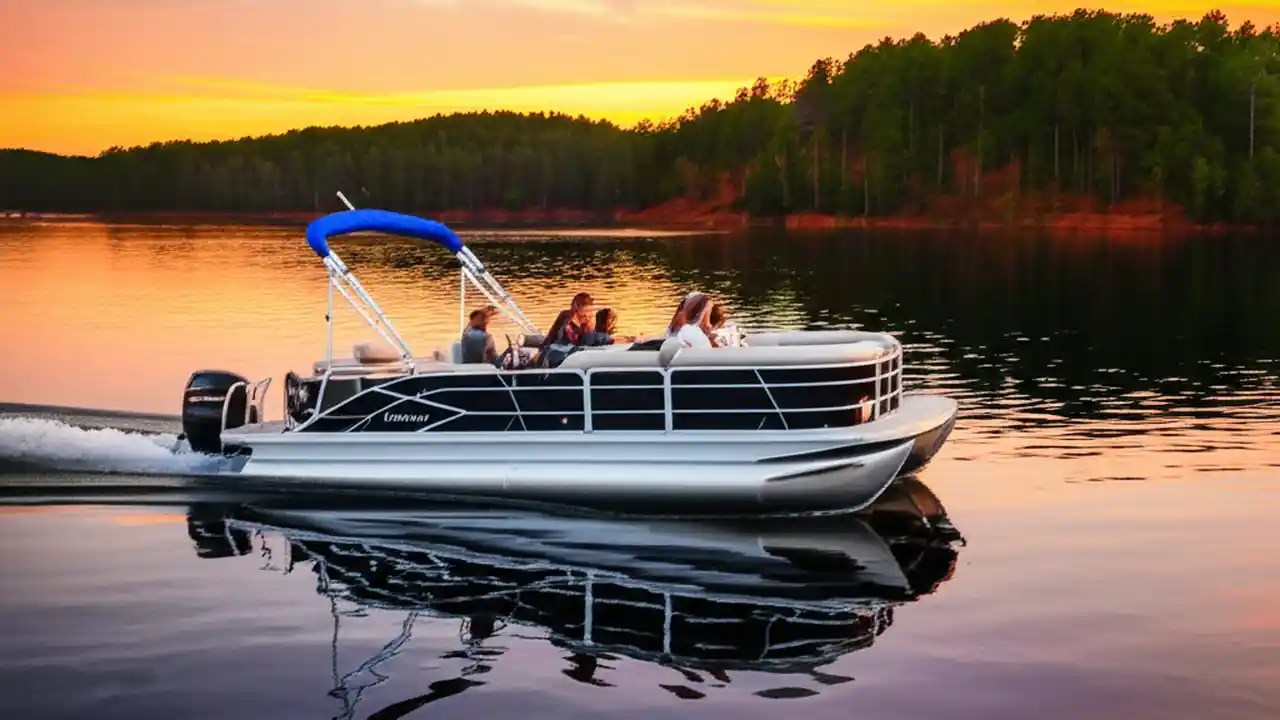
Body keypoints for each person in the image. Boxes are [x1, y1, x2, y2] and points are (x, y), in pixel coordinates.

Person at [538, 292, 595, 367]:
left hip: (578, 351)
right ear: (577, 305)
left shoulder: (588, 319)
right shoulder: (566, 317)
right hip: (563, 350)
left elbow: (590, 338)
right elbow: (553, 334)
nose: (588, 313)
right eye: (586, 308)